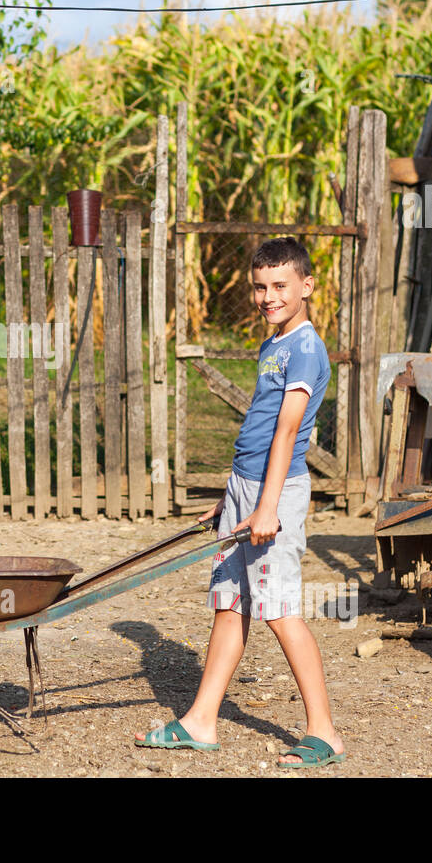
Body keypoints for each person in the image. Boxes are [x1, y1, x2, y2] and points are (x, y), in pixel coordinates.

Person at [135, 236, 345, 768]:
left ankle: (325, 731)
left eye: (279, 286)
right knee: (229, 605)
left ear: (306, 286)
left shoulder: (304, 347)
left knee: (279, 612)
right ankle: (200, 721)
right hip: (247, 489)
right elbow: (257, 425)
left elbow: (286, 431)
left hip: (277, 493)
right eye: (259, 287)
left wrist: (267, 505)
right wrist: (232, 501)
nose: (267, 296)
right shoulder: (274, 342)